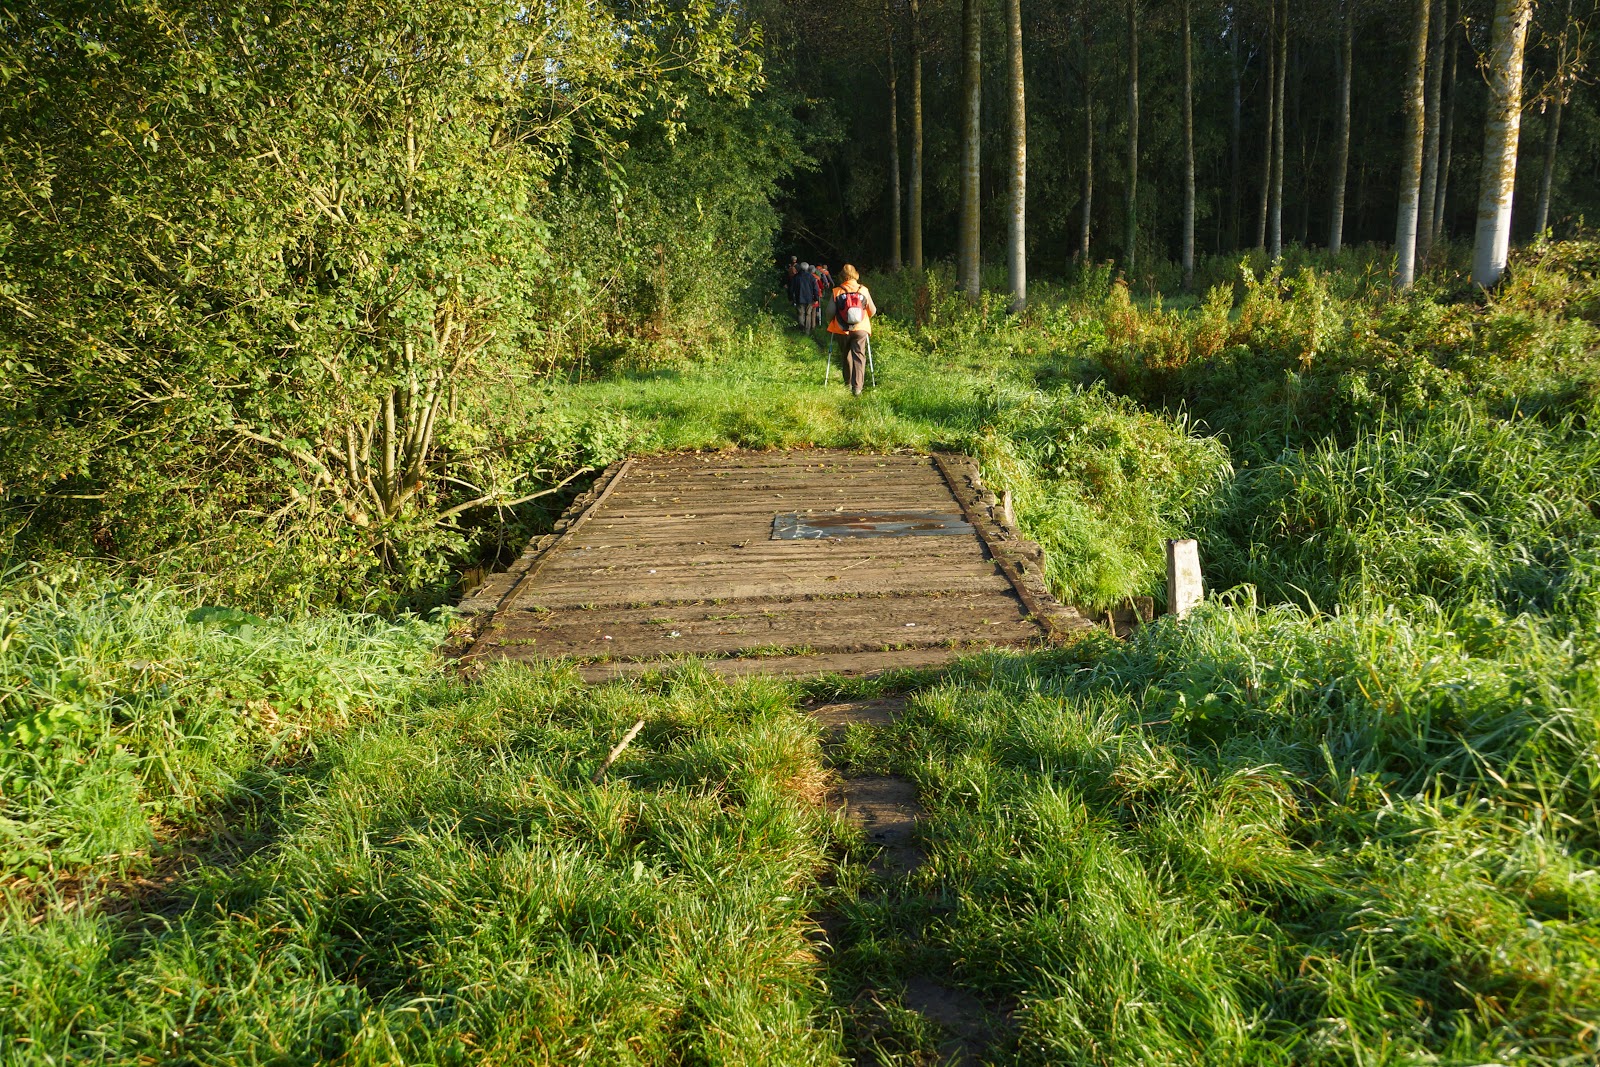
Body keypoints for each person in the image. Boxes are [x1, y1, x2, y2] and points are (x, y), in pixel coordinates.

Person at [827, 263, 877, 395]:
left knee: (846, 355)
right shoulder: (863, 290)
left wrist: (831, 321)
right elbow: (872, 311)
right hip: (860, 328)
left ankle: (848, 383)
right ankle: (857, 388)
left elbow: (830, 312)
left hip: (842, 329)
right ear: (855, 274)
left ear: (842, 276)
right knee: (859, 356)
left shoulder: (837, 291)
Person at [788, 261, 820, 330]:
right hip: (809, 299)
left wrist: (791, 298)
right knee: (808, 314)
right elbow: (816, 289)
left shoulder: (796, 277)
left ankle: (801, 327)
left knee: (800, 313)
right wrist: (816, 298)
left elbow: (791, 289)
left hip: (799, 298)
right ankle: (807, 331)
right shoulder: (811, 277)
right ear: (807, 268)